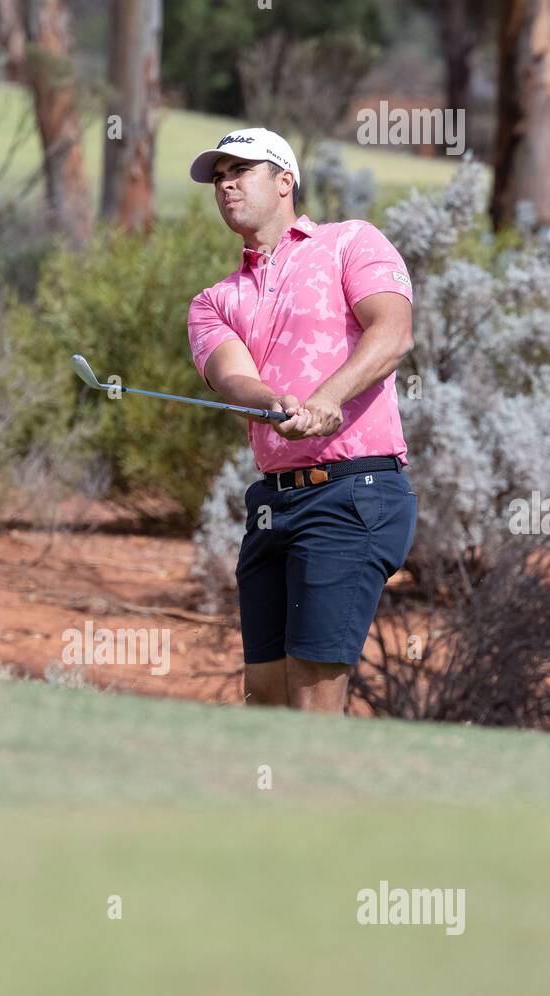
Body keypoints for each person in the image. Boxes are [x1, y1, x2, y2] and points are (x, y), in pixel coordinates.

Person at [187, 128, 418, 715]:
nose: (227, 184)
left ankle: (319, 806)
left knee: (314, 694)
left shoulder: (350, 242)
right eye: (219, 176)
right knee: (265, 694)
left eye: (242, 170)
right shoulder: (213, 301)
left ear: (285, 180)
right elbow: (232, 376)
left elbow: (392, 334)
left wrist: (327, 399)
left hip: (353, 492)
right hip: (272, 505)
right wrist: (274, 403)